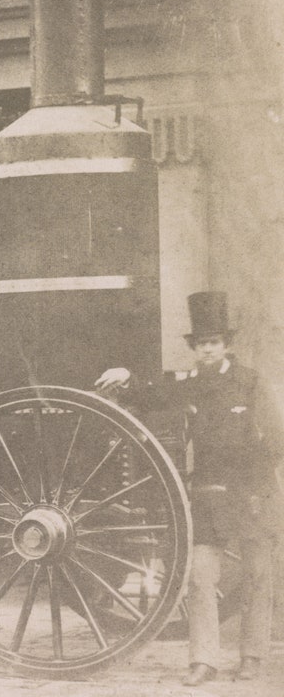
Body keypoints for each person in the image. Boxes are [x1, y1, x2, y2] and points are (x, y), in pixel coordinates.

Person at [96, 291, 284, 686]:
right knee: (199, 579)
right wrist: (125, 379)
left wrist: (257, 478)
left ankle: (251, 656)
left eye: (214, 343)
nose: (207, 351)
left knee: (257, 575)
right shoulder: (190, 385)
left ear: (226, 345)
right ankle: (204, 660)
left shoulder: (249, 382)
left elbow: (278, 437)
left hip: (250, 493)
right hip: (206, 495)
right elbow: (149, 397)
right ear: (194, 349)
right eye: (201, 345)